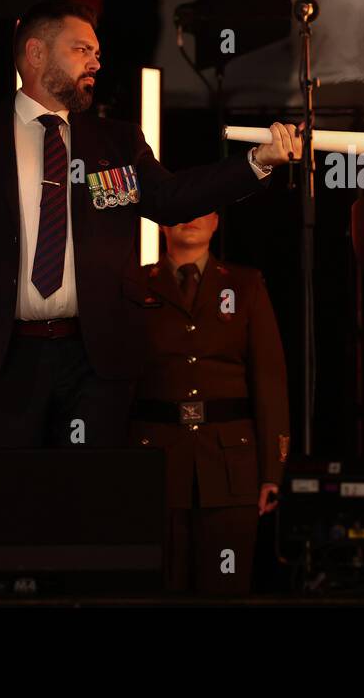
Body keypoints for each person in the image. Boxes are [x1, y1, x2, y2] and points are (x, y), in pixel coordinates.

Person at [0, 1, 302, 449]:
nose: (96, 62)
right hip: (3, 355)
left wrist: (256, 163)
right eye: (81, 50)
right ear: (36, 53)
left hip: (96, 357)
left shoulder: (115, 141)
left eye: (96, 53)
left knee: (89, 501)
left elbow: (171, 199)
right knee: (14, 502)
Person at [125, 211, 289, 593]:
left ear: (216, 221)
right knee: (159, 588)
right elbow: (118, 379)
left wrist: (271, 471)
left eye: (202, 208)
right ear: (161, 222)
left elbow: (269, 381)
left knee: (225, 587)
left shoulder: (246, 285)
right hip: (155, 462)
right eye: (179, 209)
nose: (190, 218)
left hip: (231, 465)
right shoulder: (134, 284)